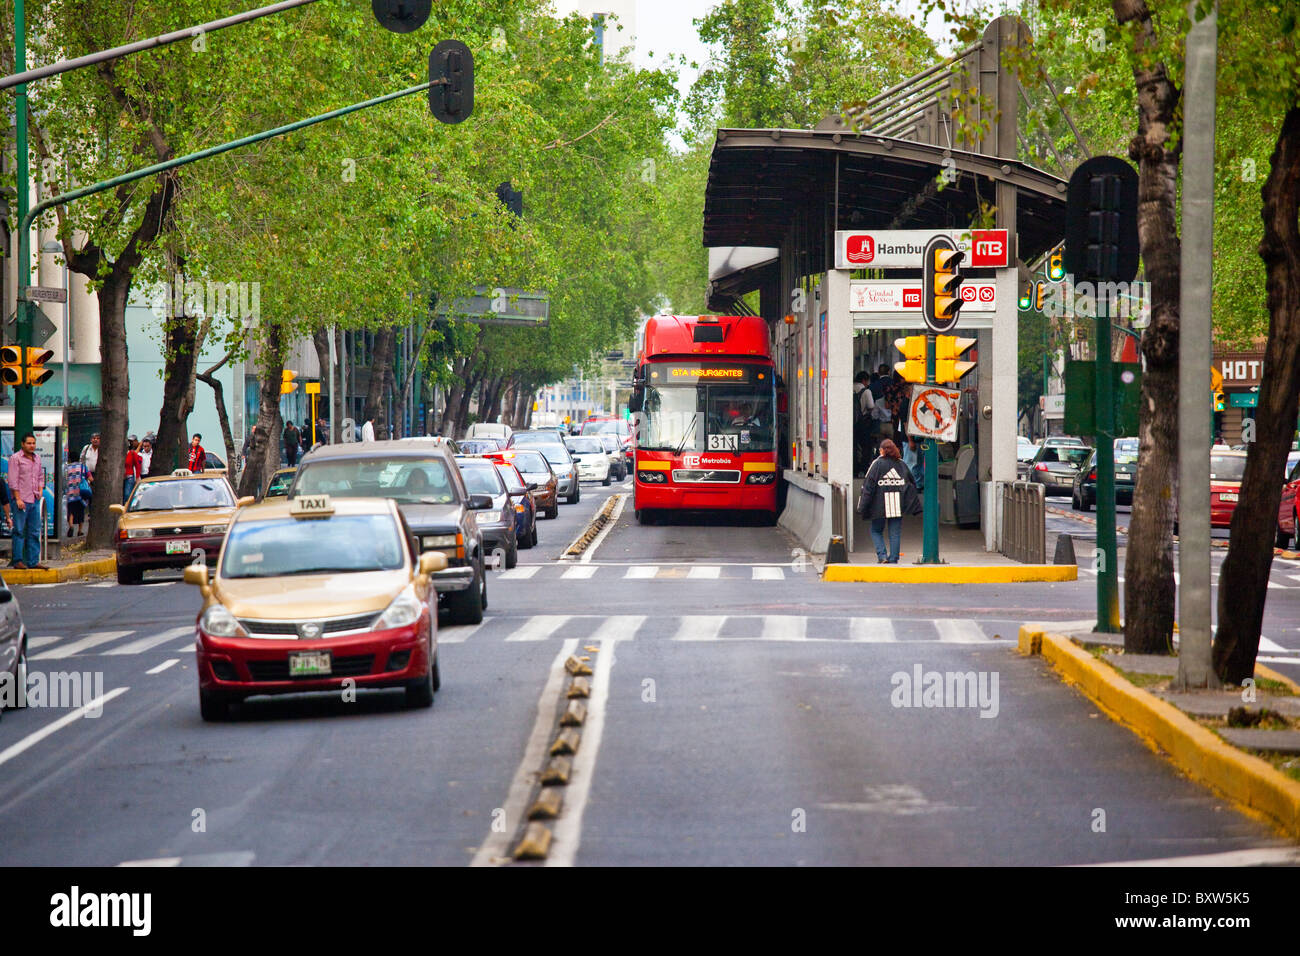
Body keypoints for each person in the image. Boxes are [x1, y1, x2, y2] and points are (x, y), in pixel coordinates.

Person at [858, 437, 921, 564]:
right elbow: (911, 484)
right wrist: (913, 505)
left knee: (876, 530)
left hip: (878, 506)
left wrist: (862, 506)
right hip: (896, 505)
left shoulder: (877, 464)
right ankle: (893, 558)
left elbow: (868, 487)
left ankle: (882, 556)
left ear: (882, 451)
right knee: (895, 533)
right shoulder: (902, 464)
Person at [8, 432, 47, 570]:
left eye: (33, 443)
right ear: (22, 444)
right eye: (29, 443)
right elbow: (13, 481)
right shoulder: (16, 458)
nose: (32, 446)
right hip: (21, 500)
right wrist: (18, 498)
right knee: (19, 531)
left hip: (34, 499)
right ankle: (17, 560)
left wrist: (40, 489)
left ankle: (33, 561)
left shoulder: (37, 459)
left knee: (35, 531)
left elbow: (40, 476)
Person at [853, 370, 876, 476]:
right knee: (865, 446)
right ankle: (863, 468)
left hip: (851, 422)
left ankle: (854, 468)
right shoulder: (866, 392)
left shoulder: (849, 388)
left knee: (853, 445)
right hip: (863, 423)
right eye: (867, 381)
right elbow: (871, 406)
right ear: (864, 380)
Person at [66, 457, 88, 537]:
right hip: (81, 493)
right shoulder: (82, 467)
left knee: (71, 511)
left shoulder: (67, 468)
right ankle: (79, 531)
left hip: (70, 493)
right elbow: (89, 476)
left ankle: (71, 526)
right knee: (80, 512)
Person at [123, 437, 143, 503]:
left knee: (127, 494)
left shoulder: (132, 453)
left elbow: (137, 466)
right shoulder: (118, 455)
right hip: (120, 478)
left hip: (129, 477)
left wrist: (137, 477)